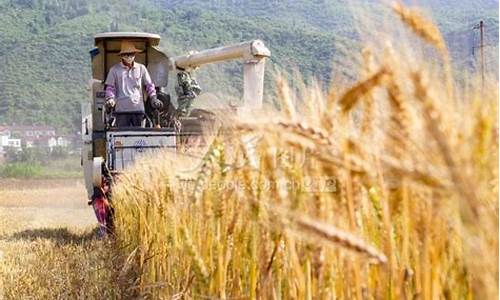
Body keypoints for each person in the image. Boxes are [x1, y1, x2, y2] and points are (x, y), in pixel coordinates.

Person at [104, 40, 163, 127]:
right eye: (126, 54)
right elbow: (110, 88)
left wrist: (153, 98)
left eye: (131, 54)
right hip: (121, 111)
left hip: (138, 109)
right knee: (122, 136)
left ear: (135, 54)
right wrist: (110, 99)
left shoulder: (141, 68)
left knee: (139, 136)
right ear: (122, 56)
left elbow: (149, 86)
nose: (129, 57)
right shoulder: (114, 70)